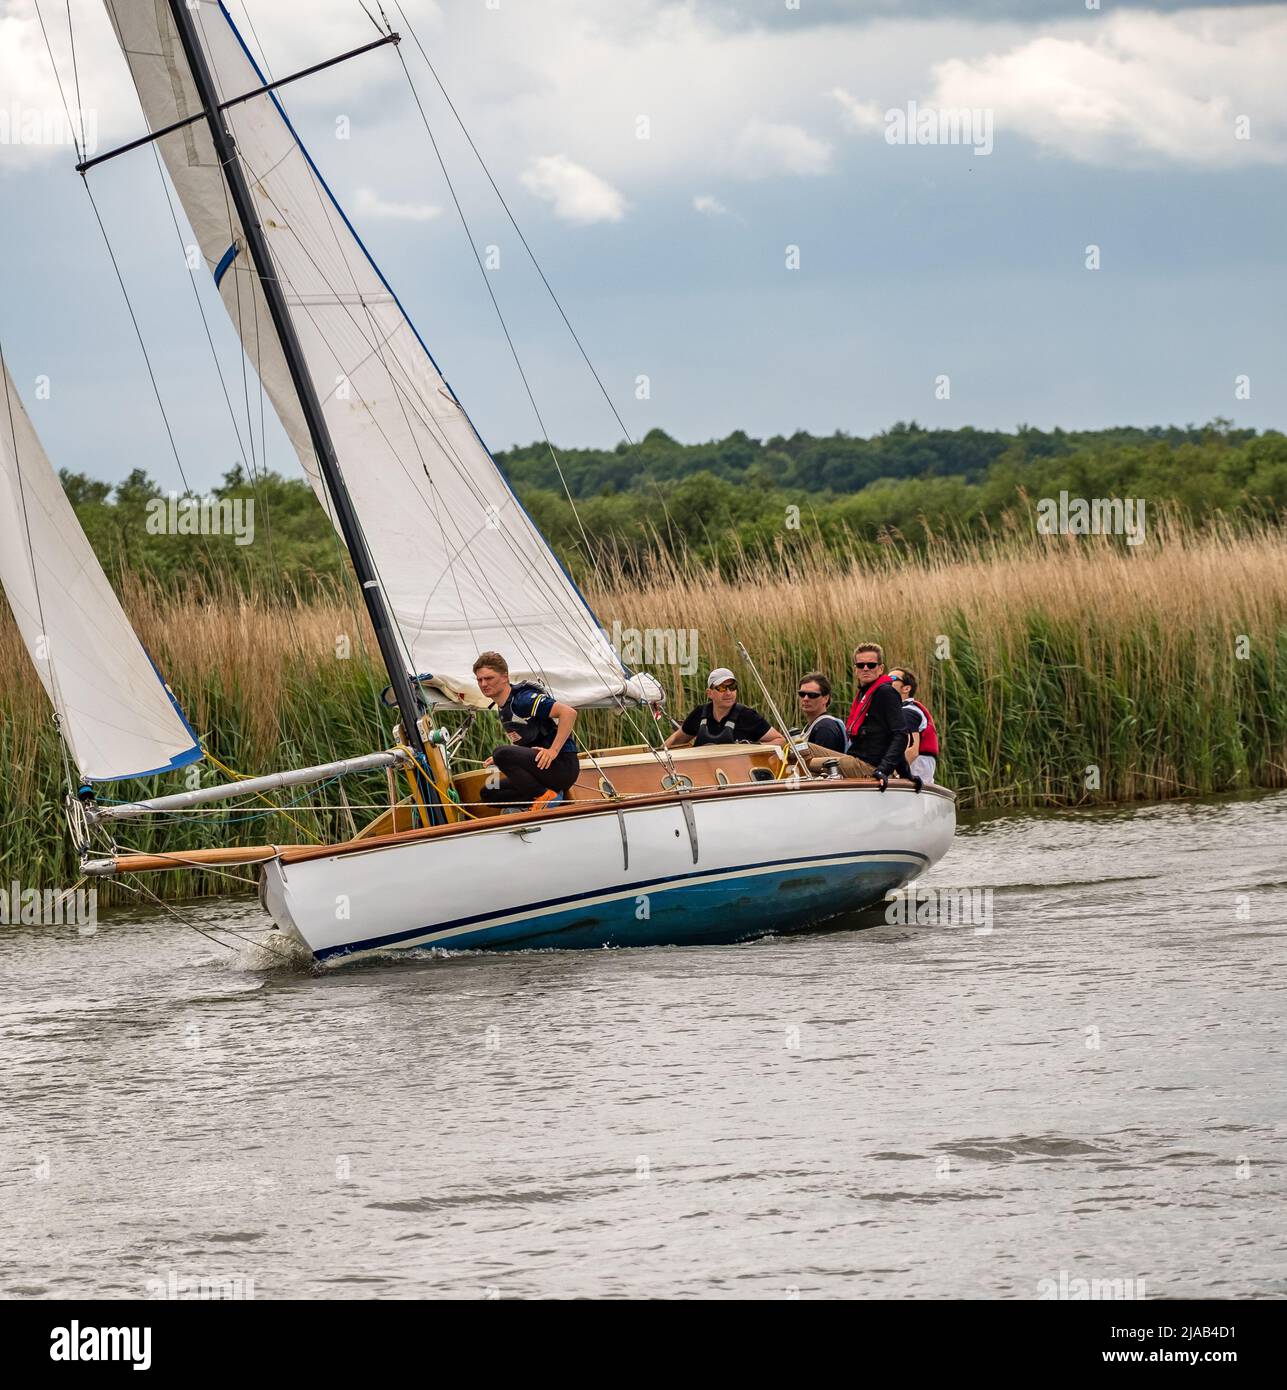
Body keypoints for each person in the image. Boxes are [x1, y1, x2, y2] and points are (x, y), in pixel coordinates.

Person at [473, 651, 580, 811]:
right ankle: (541, 800)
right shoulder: (503, 707)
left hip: (561, 766)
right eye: (479, 680)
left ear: (505, 677)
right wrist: (508, 759)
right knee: (489, 792)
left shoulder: (523, 700)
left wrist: (553, 751)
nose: (483, 684)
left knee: (500, 753)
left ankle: (546, 796)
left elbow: (568, 713)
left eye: (489, 678)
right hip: (541, 769)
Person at [806, 642, 909, 787]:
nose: (865, 668)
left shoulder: (886, 693)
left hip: (869, 766)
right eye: (861, 665)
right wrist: (906, 774)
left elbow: (900, 735)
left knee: (803, 760)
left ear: (881, 668)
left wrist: (885, 771)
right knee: (800, 749)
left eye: (871, 665)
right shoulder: (864, 693)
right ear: (855, 670)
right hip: (855, 759)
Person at [665, 668, 786, 748]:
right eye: (722, 688)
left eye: (732, 687)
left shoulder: (748, 716)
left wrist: (753, 747)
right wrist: (659, 754)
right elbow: (676, 739)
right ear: (709, 693)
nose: (728, 692)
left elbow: (780, 740)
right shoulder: (700, 713)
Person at [889, 667, 939, 785]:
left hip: (915, 772)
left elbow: (912, 750)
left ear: (906, 688)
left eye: (892, 678)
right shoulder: (902, 711)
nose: (886, 681)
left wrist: (892, 773)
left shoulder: (908, 712)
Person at [794, 671, 847, 754]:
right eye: (802, 694)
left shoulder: (825, 728)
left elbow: (824, 764)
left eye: (812, 695)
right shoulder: (813, 726)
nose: (805, 699)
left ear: (825, 699)